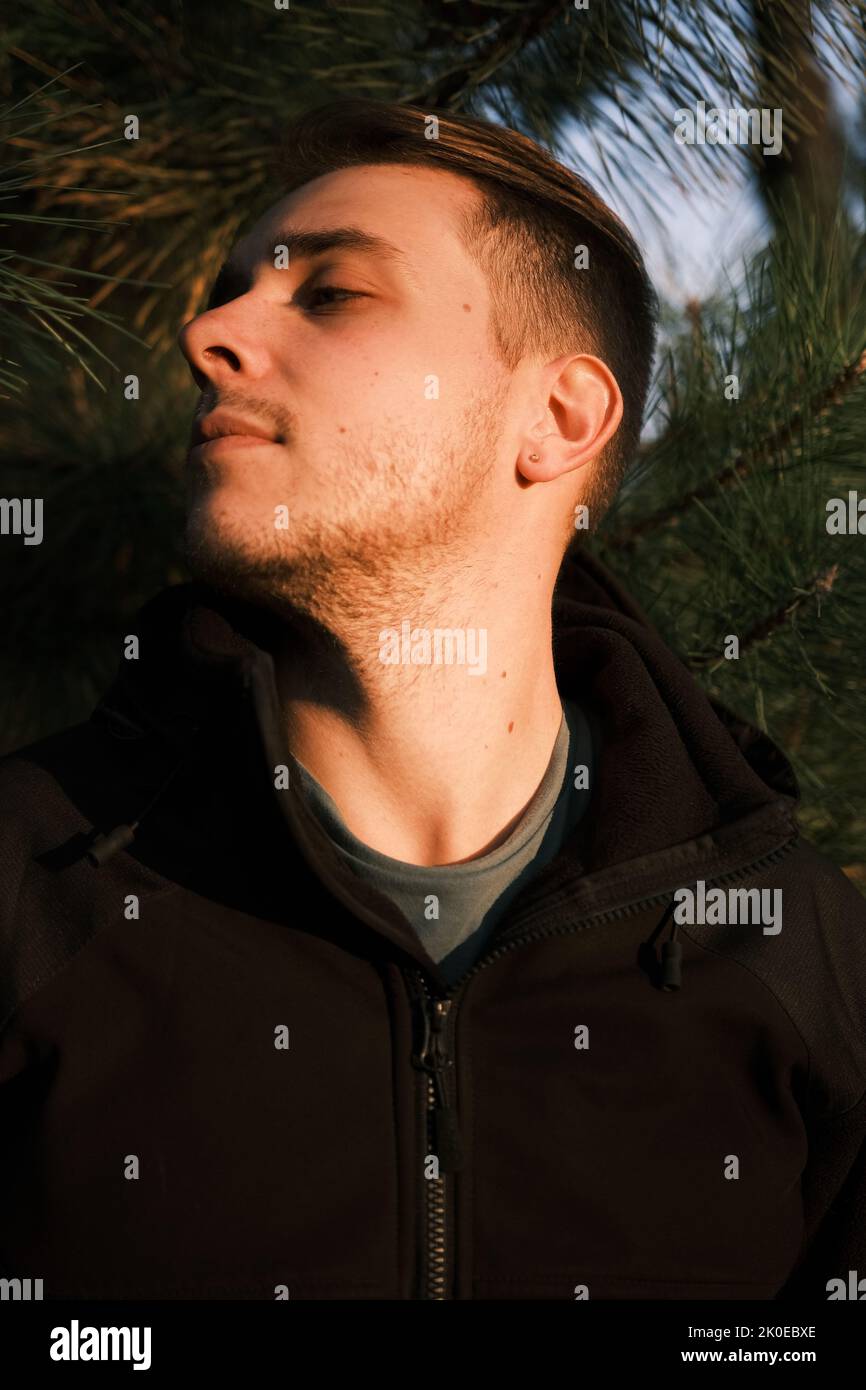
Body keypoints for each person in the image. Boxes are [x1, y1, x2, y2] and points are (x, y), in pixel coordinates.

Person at [1, 99, 864, 1302]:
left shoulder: (797, 953)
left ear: (557, 418)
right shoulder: (32, 885)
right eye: (232, 288)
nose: (206, 333)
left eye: (330, 294)